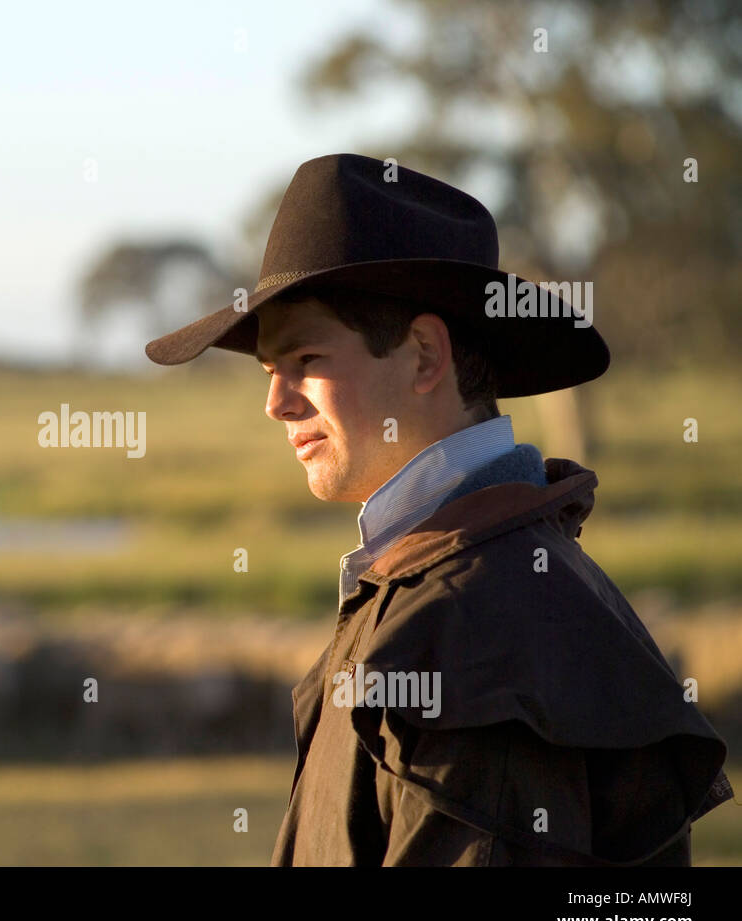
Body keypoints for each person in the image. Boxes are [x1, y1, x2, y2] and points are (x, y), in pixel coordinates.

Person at [144, 153, 733, 866]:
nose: (277, 403)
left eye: (304, 359)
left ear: (425, 355)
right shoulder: (472, 588)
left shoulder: (476, 634)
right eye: (272, 372)